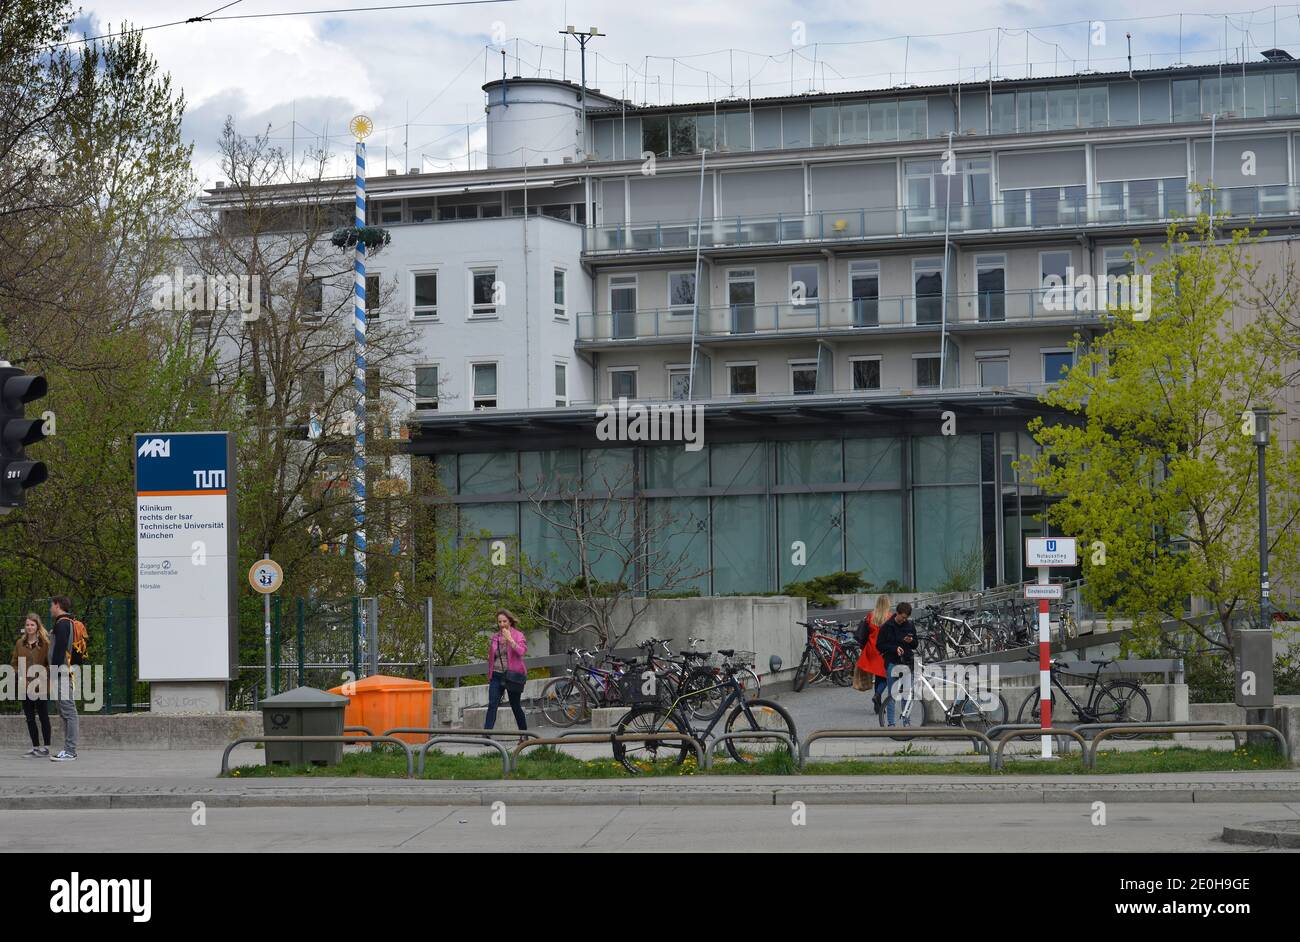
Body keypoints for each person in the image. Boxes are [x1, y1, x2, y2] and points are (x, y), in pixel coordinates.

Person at [11, 613, 51, 757]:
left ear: (37, 626)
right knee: (29, 717)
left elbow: (50, 664)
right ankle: (35, 747)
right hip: (25, 686)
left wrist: (40, 676)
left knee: (43, 716)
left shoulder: (45, 643)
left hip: (41, 686)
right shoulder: (19, 643)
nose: (29, 627)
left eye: (32, 625)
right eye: (27, 624)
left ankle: (46, 748)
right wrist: (20, 675)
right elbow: (14, 663)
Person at [875, 601, 918, 728]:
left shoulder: (909, 625)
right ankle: (891, 724)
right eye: (902, 617)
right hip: (892, 662)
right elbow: (879, 645)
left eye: (906, 618)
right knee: (892, 695)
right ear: (897, 613)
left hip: (907, 663)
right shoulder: (887, 626)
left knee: (906, 695)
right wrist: (894, 648)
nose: (904, 620)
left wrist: (911, 641)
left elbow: (915, 644)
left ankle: (906, 723)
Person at [484, 609, 528, 731]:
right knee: (492, 704)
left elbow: (522, 651)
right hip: (496, 675)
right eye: (499, 622)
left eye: (504, 621)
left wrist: (510, 640)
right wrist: (490, 674)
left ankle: (523, 734)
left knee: (515, 706)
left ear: (510, 621)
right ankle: (486, 734)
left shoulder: (518, 635)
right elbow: (492, 657)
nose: (502, 624)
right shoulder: (495, 637)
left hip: (512, 675)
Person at [48, 596, 79, 761]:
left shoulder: (63, 624)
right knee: (65, 712)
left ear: (57, 605)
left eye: (51, 605)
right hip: (64, 673)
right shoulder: (66, 623)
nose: (50, 609)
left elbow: (59, 650)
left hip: (62, 674)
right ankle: (68, 749)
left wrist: (54, 673)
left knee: (69, 712)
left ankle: (70, 751)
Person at [854, 595, 890, 716]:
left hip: (871, 649)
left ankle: (877, 705)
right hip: (882, 650)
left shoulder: (871, 616)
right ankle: (878, 695)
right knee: (886, 676)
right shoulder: (889, 617)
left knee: (878, 675)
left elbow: (864, 633)